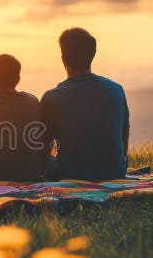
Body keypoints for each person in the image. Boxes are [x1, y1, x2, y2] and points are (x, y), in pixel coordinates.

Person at [40, 28, 130, 181]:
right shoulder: (116, 89)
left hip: (69, 174)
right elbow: (124, 131)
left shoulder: (51, 98)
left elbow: (44, 146)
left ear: (63, 58)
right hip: (115, 172)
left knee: (46, 163)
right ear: (92, 55)